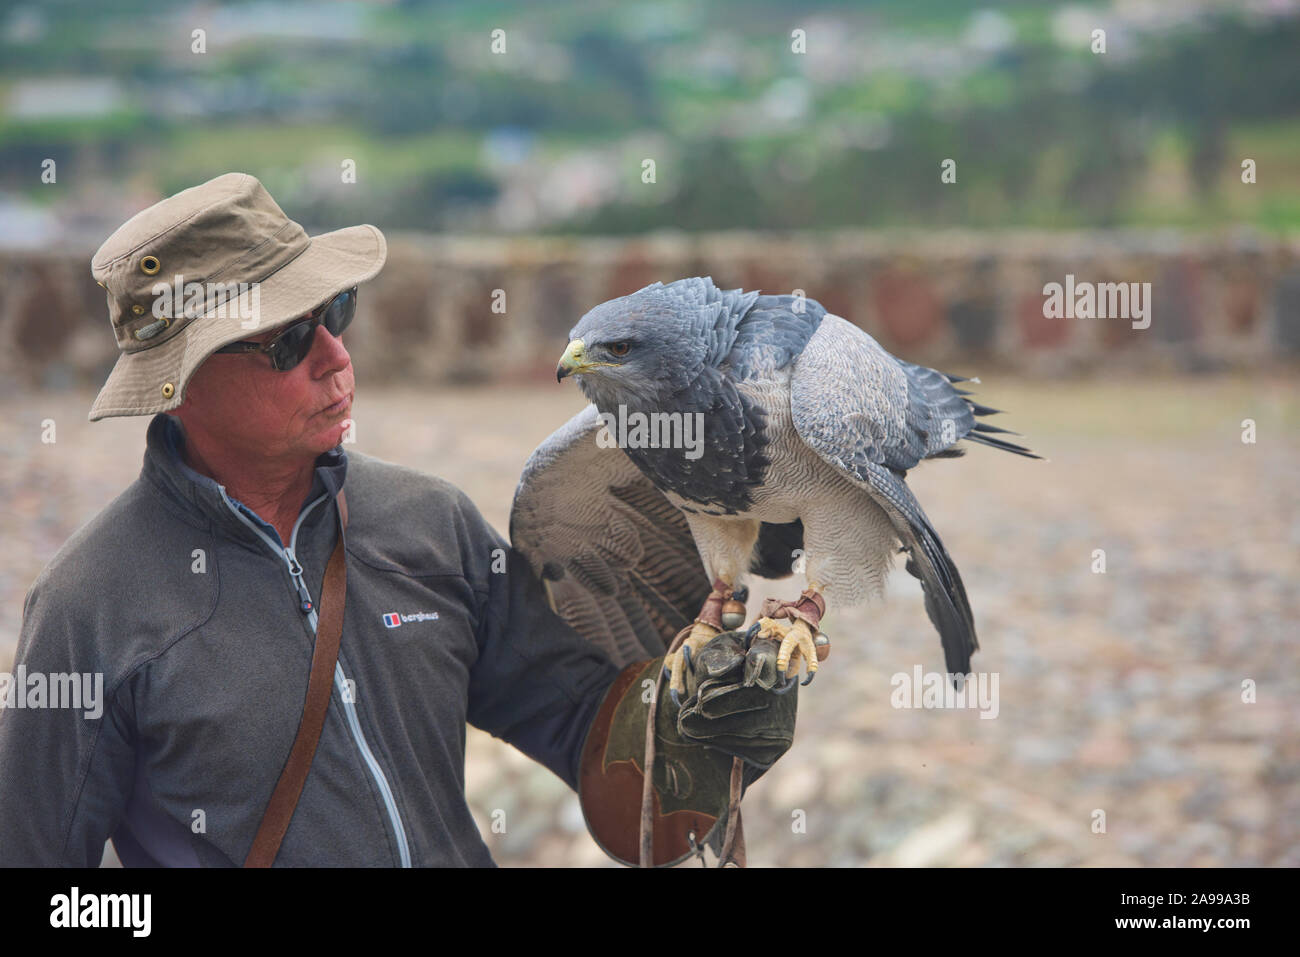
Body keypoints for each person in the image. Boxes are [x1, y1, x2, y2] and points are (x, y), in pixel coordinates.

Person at [0, 173, 795, 867]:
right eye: (286, 342)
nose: (335, 357)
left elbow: (589, 728)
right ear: (182, 380)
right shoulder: (89, 607)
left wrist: (700, 728)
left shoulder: (428, 523)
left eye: (334, 312)